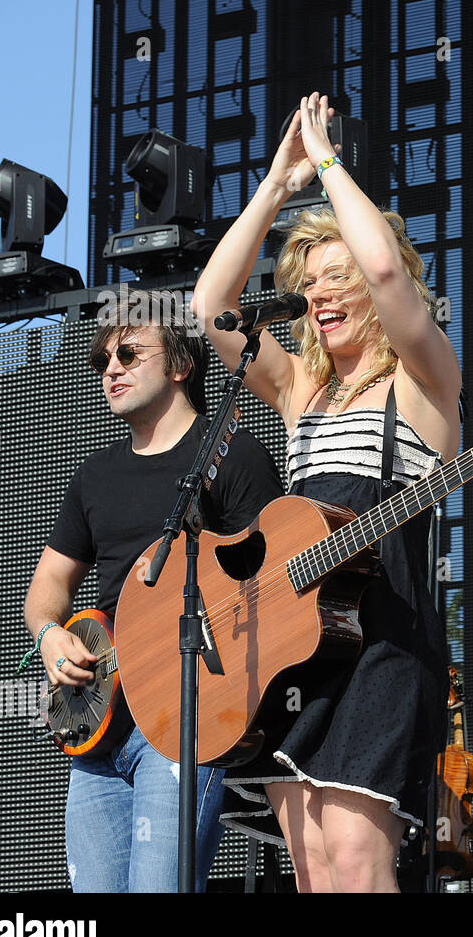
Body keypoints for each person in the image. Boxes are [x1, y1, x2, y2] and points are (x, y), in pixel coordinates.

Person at [191, 92, 461, 893]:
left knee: (355, 858)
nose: (324, 295)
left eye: (338, 277)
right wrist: (277, 184)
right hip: (296, 645)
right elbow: (209, 308)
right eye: (311, 284)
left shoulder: (423, 379)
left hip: (383, 640)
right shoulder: (301, 389)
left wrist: (331, 164)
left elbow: (383, 265)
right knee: (309, 868)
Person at [23, 290, 283, 892]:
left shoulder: (233, 455)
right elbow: (47, 589)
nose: (111, 369)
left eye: (129, 354)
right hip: (95, 733)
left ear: (180, 365)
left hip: (184, 719)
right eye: (104, 360)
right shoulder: (95, 475)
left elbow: (273, 577)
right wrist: (50, 635)